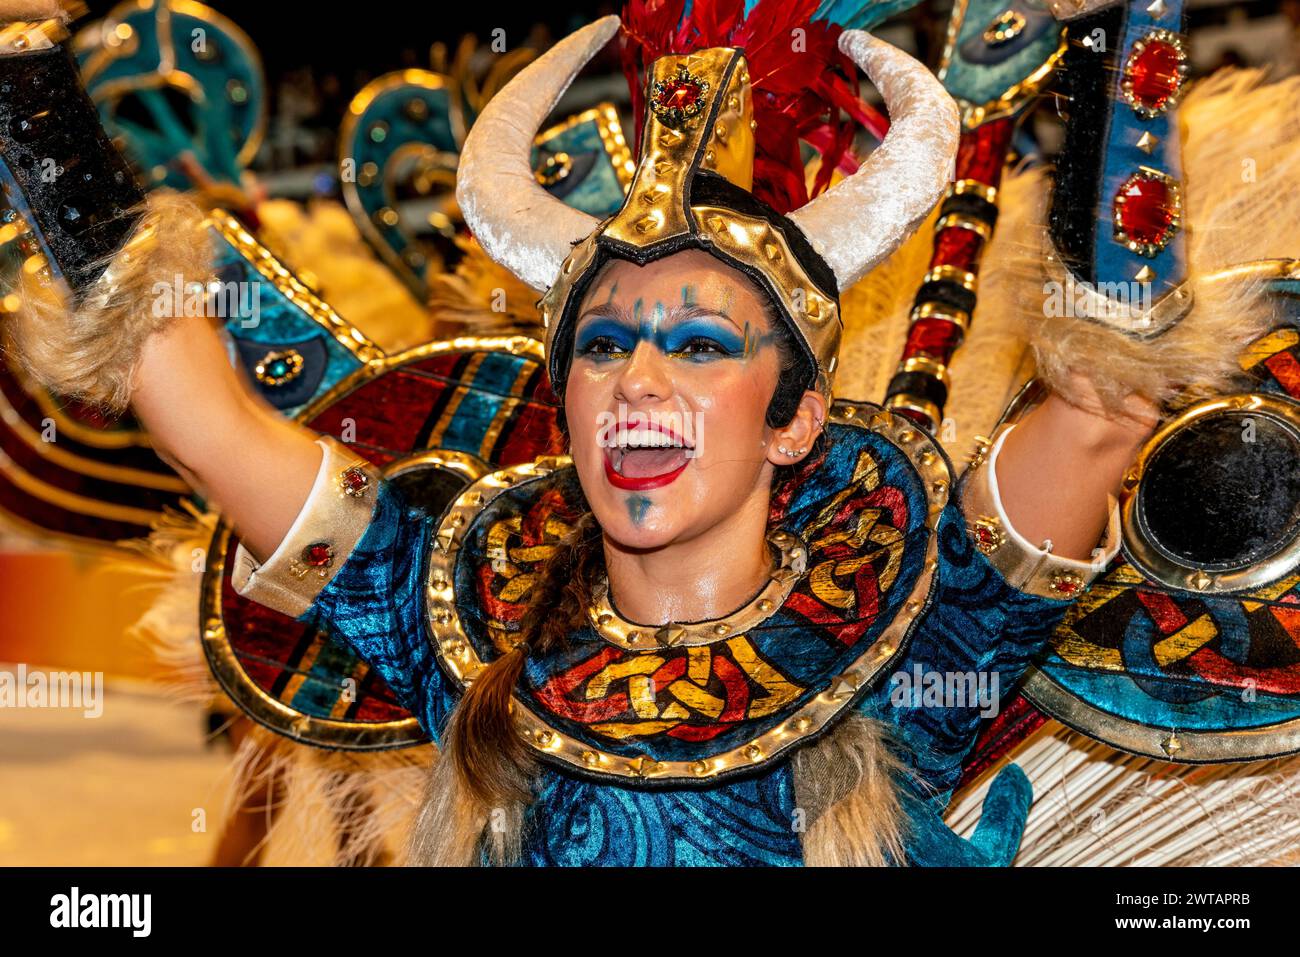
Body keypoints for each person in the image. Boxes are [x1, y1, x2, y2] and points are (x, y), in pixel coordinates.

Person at [5, 5, 1265, 865]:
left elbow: (1104, 407)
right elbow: (195, 410)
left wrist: (1122, 38)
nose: (636, 378)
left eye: (704, 346)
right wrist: (29, 84)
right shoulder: (458, 610)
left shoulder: (898, 641)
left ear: (796, 422)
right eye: (601, 345)